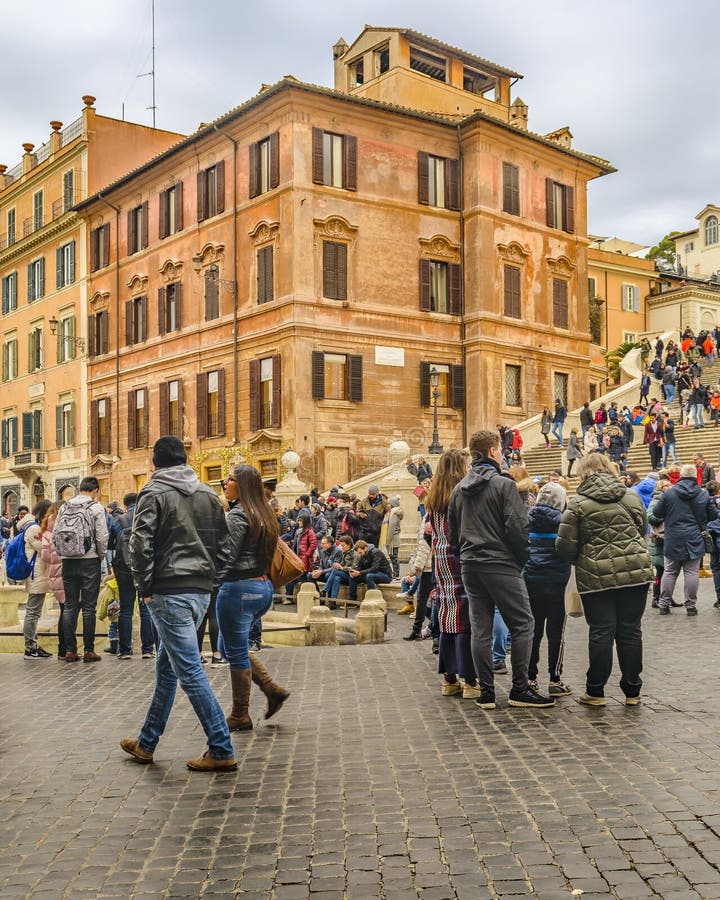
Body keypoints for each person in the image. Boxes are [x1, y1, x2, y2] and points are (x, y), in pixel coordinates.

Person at [122, 435, 236, 772]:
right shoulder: (207, 494)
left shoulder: (153, 492)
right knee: (167, 667)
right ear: (185, 459)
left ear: (155, 463)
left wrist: (144, 587)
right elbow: (225, 546)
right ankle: (147, 742)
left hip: (167, 590)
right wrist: (211, 581)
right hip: (200, 590)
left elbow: (139, 543)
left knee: (188, 671)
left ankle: (221, 745)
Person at [448, 429, 554, 709]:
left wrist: (466, 555)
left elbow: (453, 534)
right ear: (494, 452)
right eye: (501, 449)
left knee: (480, 627)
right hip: (501, 562)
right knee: (523, 623)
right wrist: (520, 559)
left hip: (471, 563)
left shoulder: (458, 489)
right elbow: (518, 527)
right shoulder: (504, 485)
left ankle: (486, 693)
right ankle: (520, 689)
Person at [556, 453, 653, 706]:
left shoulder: (577, 504)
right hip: (635, 572)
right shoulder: (631, 496)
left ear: (582, 474)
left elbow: (565, 546)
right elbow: (642, 529)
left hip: (596, 576)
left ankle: (595, 691)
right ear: (609, 469)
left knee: (601, 632)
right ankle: (633, 692)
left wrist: (584, 556)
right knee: (631, 631)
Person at [214, 464, 289, 733]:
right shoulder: (266, 513)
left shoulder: (237, 515)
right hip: (263, 588)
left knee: (233, 651)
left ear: (242, 486)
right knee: (227, 646)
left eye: (230, 479)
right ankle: (271, 688)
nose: (225, 482)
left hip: (238, 589)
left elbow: (227, 555)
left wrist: (211, 581)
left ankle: (239, 714)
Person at [425, 450, 479, 699]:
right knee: (465, 616)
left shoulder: (434, 498)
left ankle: (448, 679)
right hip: (461, 557)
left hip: (441, 559)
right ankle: (469, 680)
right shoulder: (464, 494)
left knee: (448, 614)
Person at [648, 463, 718, 616]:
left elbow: (658, 512)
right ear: (695, 477)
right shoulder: (703, 494)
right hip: (694, 536)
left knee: (670, 571)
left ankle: (664, 604)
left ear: (681, 476)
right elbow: (713, 515)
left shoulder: (669, 493)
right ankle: (691, 606)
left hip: (673, 536)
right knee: (691, 572)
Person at [523, 483, 572, 696]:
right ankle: (555, 678)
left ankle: (530, 677)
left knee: (533, 631)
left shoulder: (527, 518)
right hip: (557, 583)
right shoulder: (564, 522)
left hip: (532, 580)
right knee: (556, 633)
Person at [55, 477, 109, 663]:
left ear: (80, 489)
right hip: (89, 559)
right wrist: (100, 556)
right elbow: (102, 536)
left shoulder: (64, 507)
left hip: (68, 560)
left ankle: (70, 650)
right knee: (88, 607)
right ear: (95, 490)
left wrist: (63, 553)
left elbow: (56, 534)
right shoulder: (96, 508)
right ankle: (88, 650)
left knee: (70, 605)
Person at [110, 492, 157, 660]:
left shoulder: (119, 520)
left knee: (126, 610)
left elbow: (110, 543)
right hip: (146, 568)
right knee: (146, 609)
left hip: (124, 569)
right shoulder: (148, 517)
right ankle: (148, 649)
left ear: (125, 505)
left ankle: (125, 650)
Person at [19, 500, 52, 660]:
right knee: (32, 612)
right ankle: (30, 648)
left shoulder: (32, 527)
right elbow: (44, 549)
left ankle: (33, 645)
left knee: (34, 612)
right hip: (36, 574)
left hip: (37, 574)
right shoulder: (34, 529)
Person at [40, 503, 66, 659]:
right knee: (70, 610)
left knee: (64, 610)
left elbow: (45, 557)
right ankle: (68, 647)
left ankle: (62, 649)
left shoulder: (46, 531)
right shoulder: (67, 525)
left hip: (55, 574)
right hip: (68, 571)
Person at [322, 534, 360, 606]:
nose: (341, 547)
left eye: (343, 545)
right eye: (340, 545)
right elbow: (342, 564)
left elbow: (354, 568)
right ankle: (333, 602)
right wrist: (338, 565)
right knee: (337, 578)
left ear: (349, 545)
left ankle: (325, 590)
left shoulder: (355, 554)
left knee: (335, 571)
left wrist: (342, 568)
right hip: (345, 574)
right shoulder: (345, 553)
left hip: (352, 576)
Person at [384, 497, 403, 579]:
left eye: (388, 503)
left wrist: (387, 540)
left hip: (393, 539)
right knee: (393, 556)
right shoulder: (392, 513)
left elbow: (391, 527)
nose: (387, 505)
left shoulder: (394, 514)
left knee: (394, 557)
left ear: (392, 505)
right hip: (392, 538)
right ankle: (395, 573)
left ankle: (396, 574)